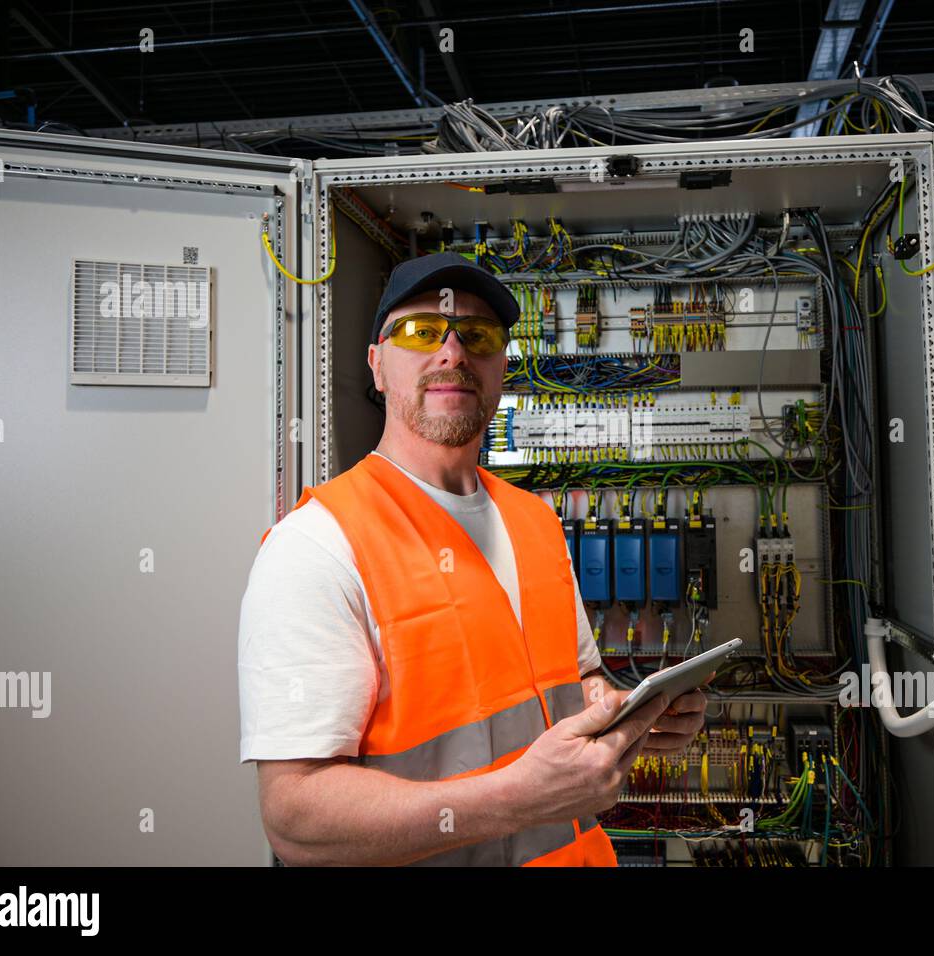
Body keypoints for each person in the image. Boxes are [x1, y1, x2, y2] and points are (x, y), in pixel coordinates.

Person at [238, 252, 707, 865]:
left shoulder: (534, 520)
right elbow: (296, 819)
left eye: (478, 336)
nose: (453, 354)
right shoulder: (319, 544)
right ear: (377, 365)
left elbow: (576, 684)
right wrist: (518, 797)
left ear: (501, 368)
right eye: (422, 332)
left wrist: (624, 717)